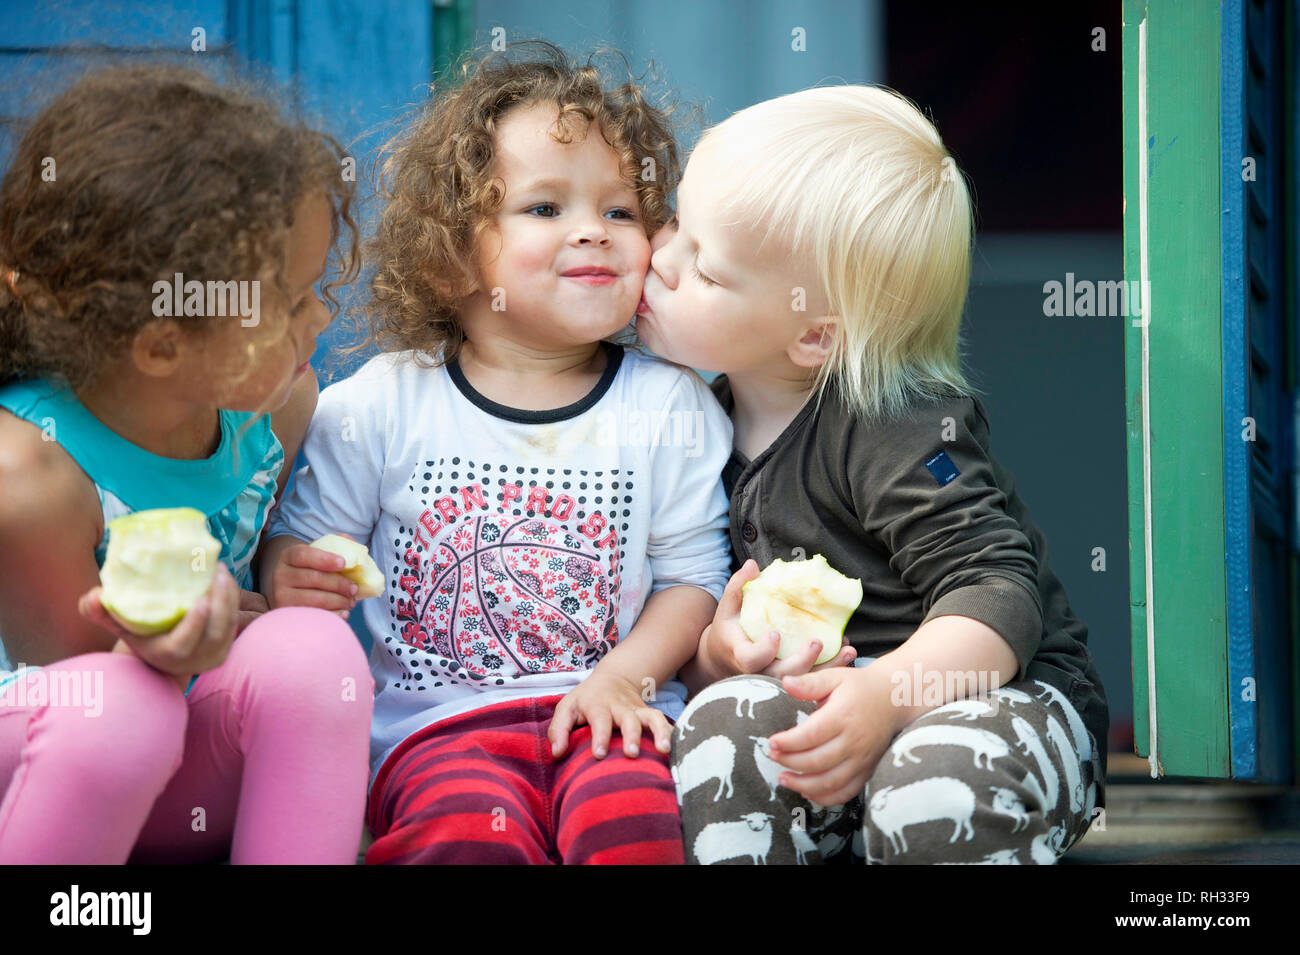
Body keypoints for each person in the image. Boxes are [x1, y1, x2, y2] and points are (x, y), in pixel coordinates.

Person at [259, 43, 732, 865]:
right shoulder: (377, 404)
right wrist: (285, 572)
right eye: (545, 208)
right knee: (462, 835)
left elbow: (694, 578)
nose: (593, 228)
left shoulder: (669, 404)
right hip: (437, 733)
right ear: (451, 252)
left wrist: (625, 675)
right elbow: (301, 549)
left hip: (610, 719)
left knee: (634, 824)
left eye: (621, 212)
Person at [637, 85, 1109, 865]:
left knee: (933, 782)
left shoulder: (893, 422)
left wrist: (891, 696)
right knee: (717, 728)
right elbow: (689, 611)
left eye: (707, 272)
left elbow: (998, 593)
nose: (659, 256)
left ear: (814, 336)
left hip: (998, 700)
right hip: (832, 728)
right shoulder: (685, 422)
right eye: (678, 223)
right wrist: (718, 656)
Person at [0, 64, 373, 864]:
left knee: (312, 652)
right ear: (164, 343)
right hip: (45, 776)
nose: (325, 314)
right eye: (296, 299)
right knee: (120, 707)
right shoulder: (29, 478)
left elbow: (248, 545)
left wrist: (278, 565)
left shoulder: (274, 406)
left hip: (175, 769)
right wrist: (156, 652)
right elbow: (72, 690)